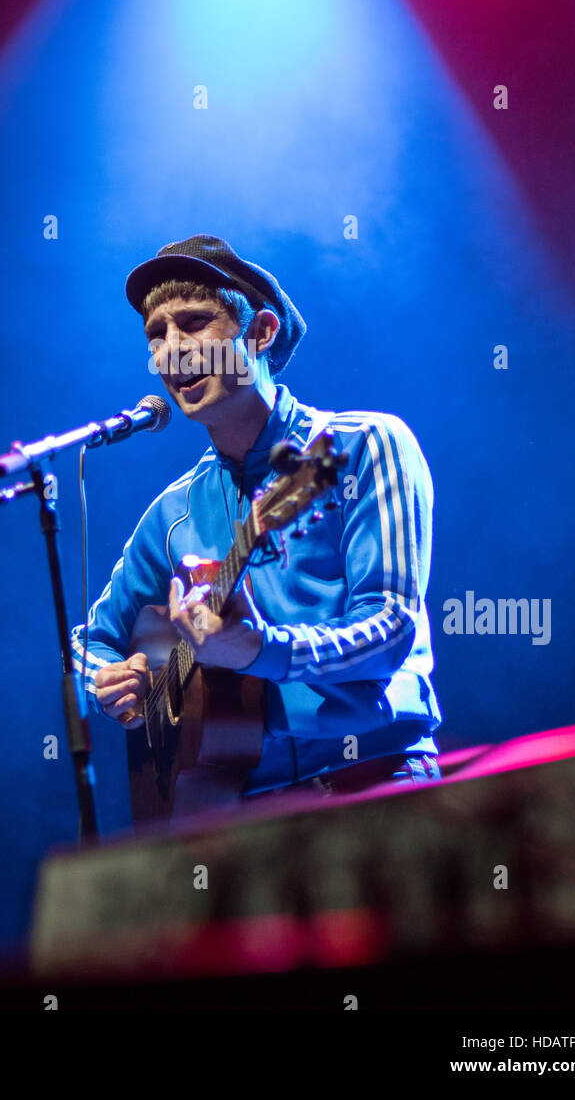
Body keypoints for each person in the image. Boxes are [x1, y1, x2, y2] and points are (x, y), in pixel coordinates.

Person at [71, 234, 443, 801]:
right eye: (156, 335)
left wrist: (259, 649)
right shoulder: (172, 513)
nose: (170, 349)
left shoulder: (363, 446)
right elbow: (86, 640)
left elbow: (392, 627)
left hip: (380, 776)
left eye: (194, 323)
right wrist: (103, 678)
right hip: (244, 810)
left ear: (260, 332)